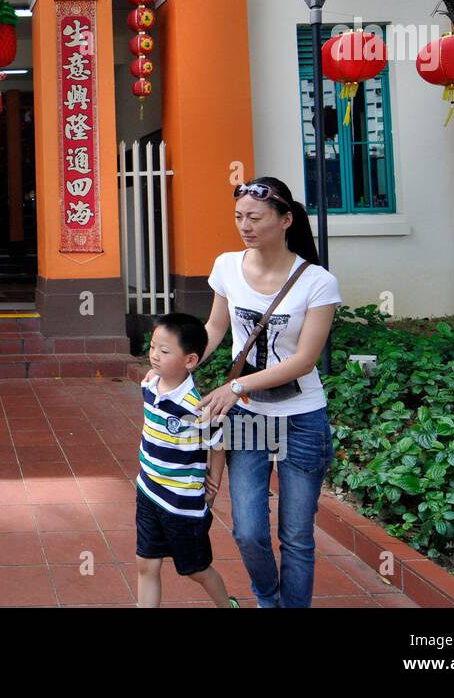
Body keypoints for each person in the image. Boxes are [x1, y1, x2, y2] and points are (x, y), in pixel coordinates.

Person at [196, 177, 342, 608]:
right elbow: (215, 329)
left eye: (255, 218)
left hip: (301, 416)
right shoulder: (226, 266)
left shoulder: (317, 281)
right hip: (248, 418)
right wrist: (175, 365)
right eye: (240, 217)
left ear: (286, 220)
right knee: (247, 531)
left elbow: (303, 361)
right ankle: (267, 598)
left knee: (296, 536)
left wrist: (235, 385)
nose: (245, 226)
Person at [136, 313, 238, 608]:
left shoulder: (196, 408)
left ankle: (227, 604)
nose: (154, 356)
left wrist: (214, 482)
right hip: (148, 491)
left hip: (182, 506)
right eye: (153, 346)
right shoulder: (150, 385)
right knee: (146, 565)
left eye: (164, 351)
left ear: (190, 361)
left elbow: (218, 445)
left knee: (196, 570)